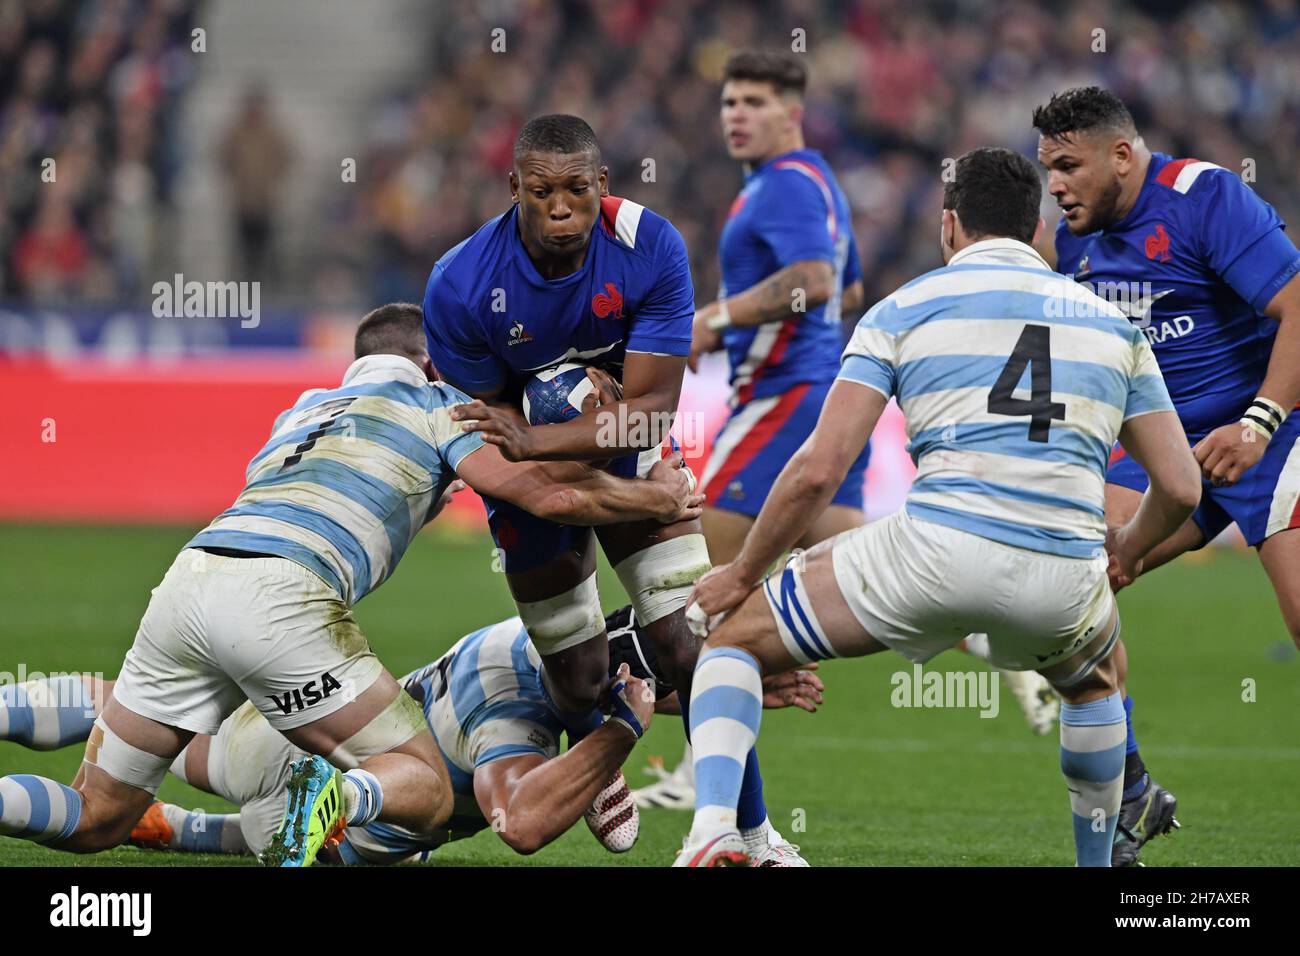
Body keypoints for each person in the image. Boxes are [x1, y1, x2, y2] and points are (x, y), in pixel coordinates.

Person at [0, 302, 700, 868]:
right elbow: (544, 497)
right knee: (421, 789)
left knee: (97, 817)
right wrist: (652, 500)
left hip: (193, 577)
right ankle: (334, 795)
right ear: (435, 361)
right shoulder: (437, 401)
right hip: (284, 599)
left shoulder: (302, 407)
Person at [674, 147, 1202, 867]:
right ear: (1038, 230)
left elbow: (817, 470)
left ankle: (712, 834)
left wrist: (742, 575)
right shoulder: (1114, 327)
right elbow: (1180, 487)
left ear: (949, 226)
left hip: (929, 557)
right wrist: (1129, 548)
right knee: (1098, 683)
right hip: (1062, 574)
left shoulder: (904, 308)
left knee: (733, 635)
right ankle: (1096, 863)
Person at [423, 114, 803, 865]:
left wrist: (546, 436)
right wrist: (556, 437)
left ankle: (748, 836)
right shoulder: (462, 285)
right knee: (579, 676)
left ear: (602, 186)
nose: (559, 207)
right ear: (515, 190)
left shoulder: (651, 247)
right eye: (540, 192)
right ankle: (598, 733)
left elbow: (652, 415)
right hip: (537, 484)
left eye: (574, 190)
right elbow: (503, 459)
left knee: (696, 645)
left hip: (625, 454)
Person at [0, 608, 823, 864]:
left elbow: (614, 671)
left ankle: (161, 822)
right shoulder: (509, 709)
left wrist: (712, 691)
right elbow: (525, 824)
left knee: (156, 727)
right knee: (415, 816)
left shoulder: (538, 646)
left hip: (299, 758)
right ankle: (182, 831)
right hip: (364, 809)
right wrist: (618, 735)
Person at [1034, 86, 1300, 865]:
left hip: (1269, 436)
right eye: (1047, 168)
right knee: (1070, 590)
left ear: (1122, 155)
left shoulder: (1204, 196)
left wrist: (1258, 423)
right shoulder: (1070, 244)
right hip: (1162, 451)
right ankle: (1129, 784)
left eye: (1068, 165)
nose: (1056, 184)